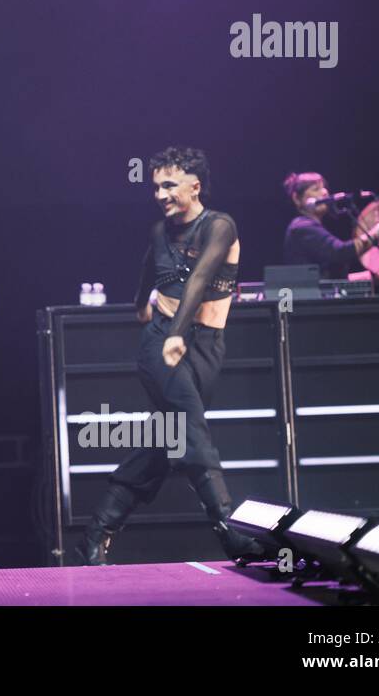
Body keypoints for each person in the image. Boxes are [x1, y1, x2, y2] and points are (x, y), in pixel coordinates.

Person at [77, 147, 263, 565]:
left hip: (205, 346)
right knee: (190, 430)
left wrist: (181, 334)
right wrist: (145, 308)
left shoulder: (220, 226)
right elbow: (150, 269)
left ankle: (97, 531)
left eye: (169, 185)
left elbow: (200, 278)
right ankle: (228, 528)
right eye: (155, 186)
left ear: (194, 186)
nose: (160, 194)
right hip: (162, 343)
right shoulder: (160, 230)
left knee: (163, 439)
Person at [282, 171, 379, 280]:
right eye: (316, 189)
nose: (324, 192)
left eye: (324, 188)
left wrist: (367, 278)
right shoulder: (302, 227)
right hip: (309, 300)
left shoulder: (312, 227)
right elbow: (340, 252)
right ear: (296, 198)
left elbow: (327, 274)